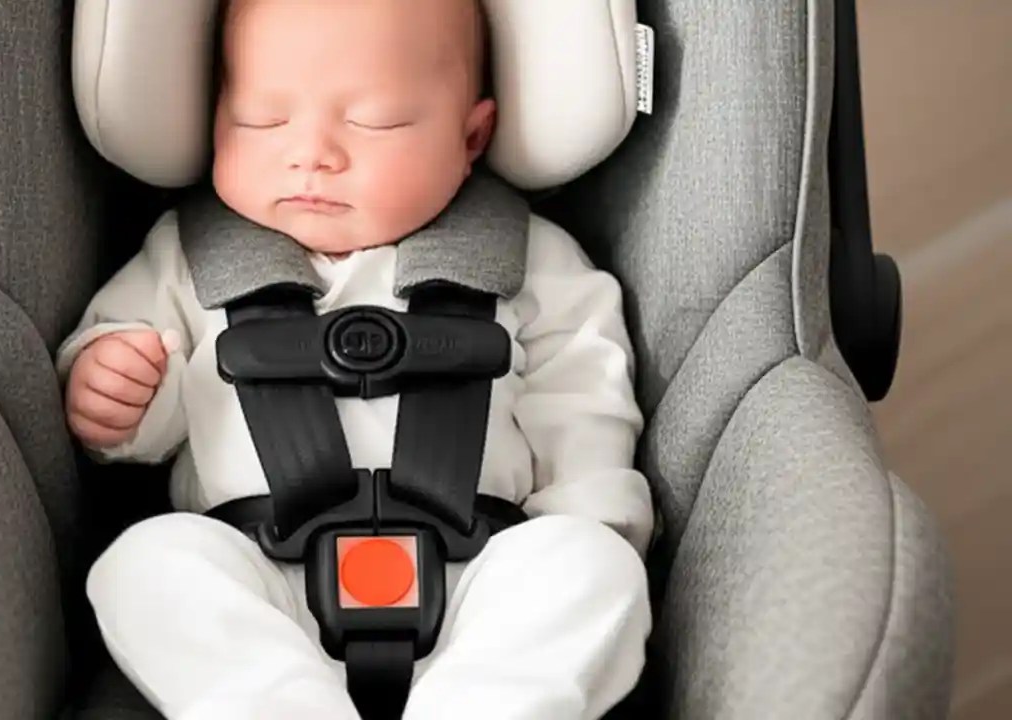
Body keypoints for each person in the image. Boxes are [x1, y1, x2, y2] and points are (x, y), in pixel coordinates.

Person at [56, 1, 653, 717]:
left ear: (472, 136)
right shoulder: (187, 260)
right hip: (263, 585)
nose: (311, 154)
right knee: (144, 563)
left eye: (375, 121)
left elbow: (584, 393)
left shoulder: (532, 258)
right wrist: (116, 389)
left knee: (592, 567)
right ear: (216, 121)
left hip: (480, 587)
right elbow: (139, 393)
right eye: (262, 120)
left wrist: (583, 514)